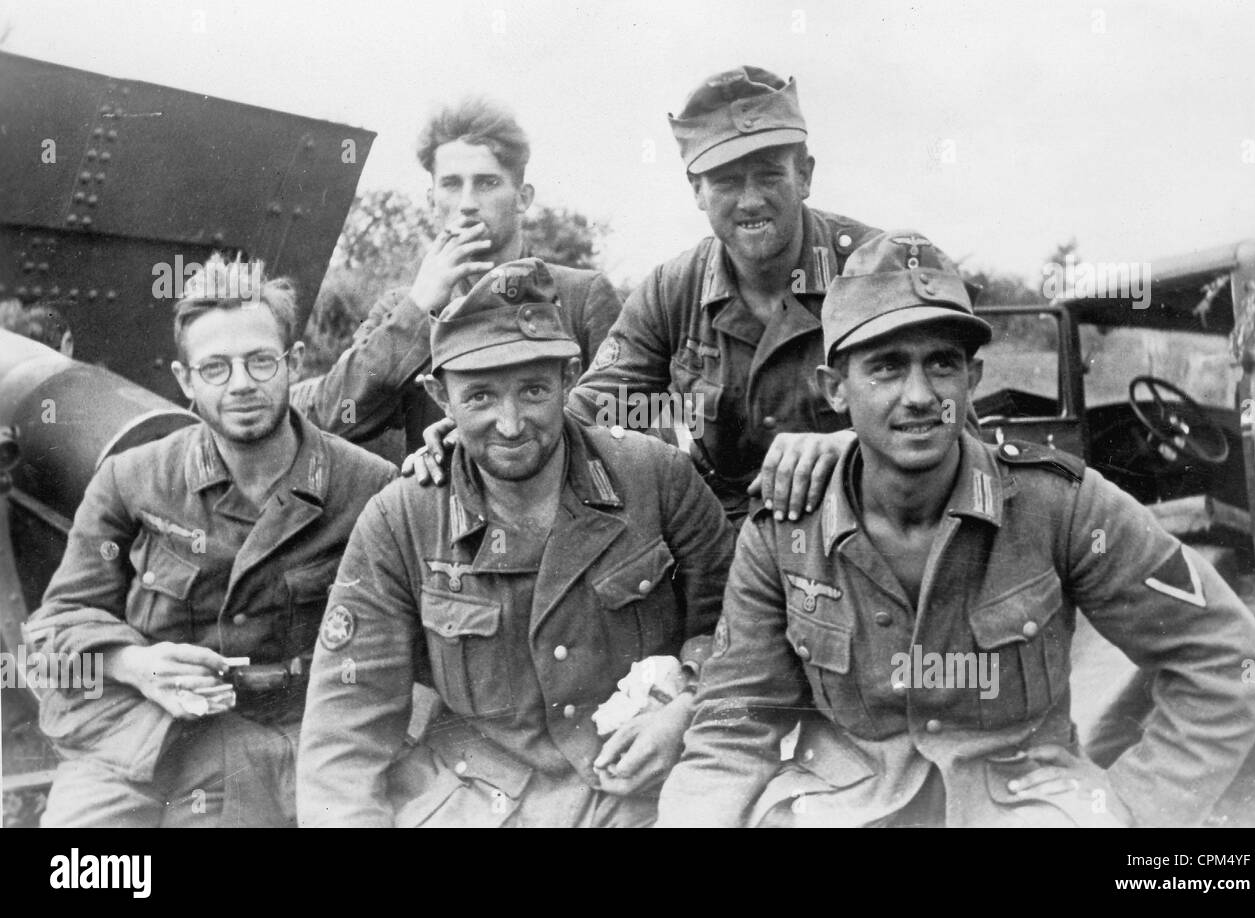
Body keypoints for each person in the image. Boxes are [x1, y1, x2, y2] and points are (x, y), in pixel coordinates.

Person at [657, 231, 1255, 827]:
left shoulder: (1058, 504)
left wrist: (1132, 807)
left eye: (943, 365)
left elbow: (1226, 658)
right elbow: (733, 727)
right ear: (834, 390)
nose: (921, 395)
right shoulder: (784, 531)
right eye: (887, 368)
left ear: (972, 381)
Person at [297, 258, 734, 827]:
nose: (510, 423)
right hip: (475, 799)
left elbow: (738, 629)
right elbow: (345, 731)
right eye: (479, 397)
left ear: (569, 377)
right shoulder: (402, 518)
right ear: (439, 395)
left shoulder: (654, 478)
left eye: (532, 390)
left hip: (642, 792)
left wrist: (687, 708)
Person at [409, 67, 886, 525]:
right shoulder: (673, 290)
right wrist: (479, 432)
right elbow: (594, 409)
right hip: (723, 541)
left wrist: (851, 444)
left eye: (769, 175)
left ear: (804, 174)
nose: (750, 200)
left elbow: (956, 416)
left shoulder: (874, 270)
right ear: (696, 190)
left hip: (860, 524)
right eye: (725, 181)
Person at [25, 255, 396, 827]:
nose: (242, 384)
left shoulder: (368, 486)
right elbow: (55, 627)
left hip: (302, 743)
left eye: (260, 362)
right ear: (185, 381)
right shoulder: (132, 479)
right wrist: (134, 663)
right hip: (151, 737)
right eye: (216, 368)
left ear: (293, 364)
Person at [303, 97, 622, 455]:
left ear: (522, 197)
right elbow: (332, 420)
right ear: (431, 198)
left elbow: (627, 426)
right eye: (451, 184)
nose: (467, 203)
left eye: (487, 183)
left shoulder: (581, 298)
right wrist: (418, 308)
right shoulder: (402, 309)